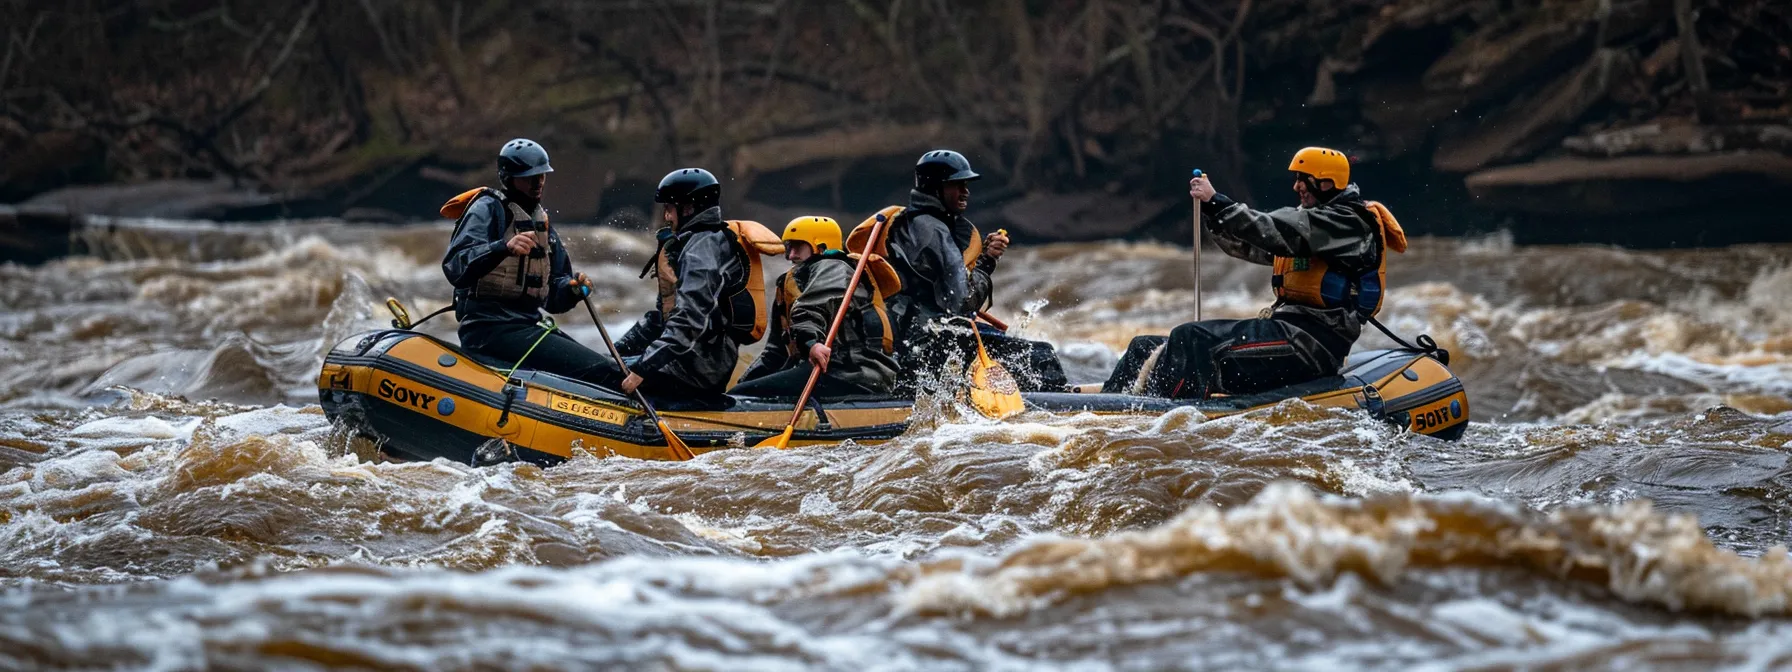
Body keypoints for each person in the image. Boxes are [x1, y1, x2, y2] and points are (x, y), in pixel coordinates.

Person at [1102, 147, 1408, 398]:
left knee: (1190, 338)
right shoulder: (1313, 226)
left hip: (1312, 347)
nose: (1296, 186)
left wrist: (1218, 201)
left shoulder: (1345, 223)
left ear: (1327, 183)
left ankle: (1152, 410)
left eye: (1304, 179)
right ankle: (1101, 407)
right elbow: (1250, 245)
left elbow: (1269, 228)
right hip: (1286, 331)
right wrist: (1213, 213)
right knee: (1143, 346)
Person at [864, 149, 1067, 394]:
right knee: (1040, 356)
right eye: (957, 185)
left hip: (907, 341)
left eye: (966, 185)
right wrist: (987, 263)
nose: (965, 192)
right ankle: (1060, 406)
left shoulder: (906, 223)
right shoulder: (935, 232)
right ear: (935, 188)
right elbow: (962, 306)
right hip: (930, 342)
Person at [441, 138, 604, 382]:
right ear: (509, 178)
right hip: (489, 329)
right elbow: (456, 265)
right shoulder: (487, 209)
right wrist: (502, 247)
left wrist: (571, 290)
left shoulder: (541, 224)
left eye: (541, 175)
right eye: (529, 177)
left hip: (526, 327)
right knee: (599, 371)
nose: (537, 183)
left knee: (601, 367)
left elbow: (552, 296)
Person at [611, 167, 764, 399]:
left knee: (601, 374)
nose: (666, 217)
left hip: (697, 371)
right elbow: (663, 317)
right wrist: (617, 351)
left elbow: (689, 319)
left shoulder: (703, 249)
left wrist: (643, 368)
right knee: (607, 364)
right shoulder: (699, 242)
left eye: (670, 209)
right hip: (692, 361)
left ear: (689, 208)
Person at [732, 216, 900, 398]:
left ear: (820, 247)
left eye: (798, 247)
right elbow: (775, 353)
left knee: (749, 392)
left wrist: (811, 342)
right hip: (825, 369)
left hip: (850, 372)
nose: (790, 256)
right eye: (789, 247)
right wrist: (738, 391)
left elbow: (812, 309)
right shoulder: (792, 282)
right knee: (744, 391)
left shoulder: (833, 267)